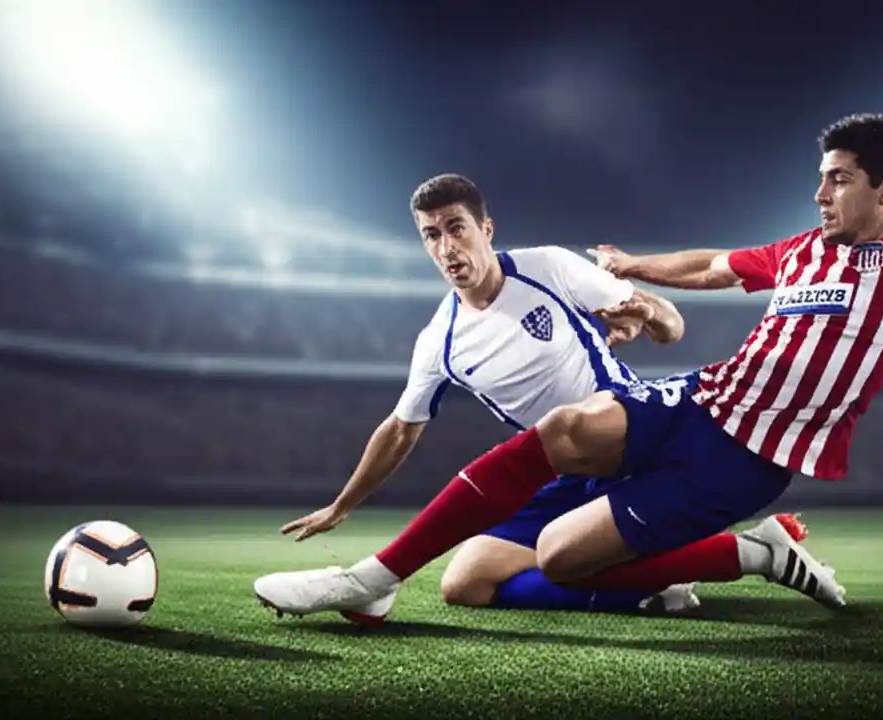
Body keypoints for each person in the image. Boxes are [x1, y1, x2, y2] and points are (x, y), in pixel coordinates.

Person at [254, 36, 883, 620]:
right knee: (562, 431)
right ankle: (371, 578)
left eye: (838, 180)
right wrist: (635, 267)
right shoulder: (802, 250)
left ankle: (756, 554)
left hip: (754, 454)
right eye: (820, 178)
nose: (819, 194)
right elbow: (712, 266)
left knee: (562, 558)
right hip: (699, 399)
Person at [260, 173, 714, 623]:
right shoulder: (440, 342)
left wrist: (649, 315)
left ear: (486, 230)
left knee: (573, 543)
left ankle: (704, 553)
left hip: (631, 446)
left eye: (456, 228)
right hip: (567, 473)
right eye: (431, 235)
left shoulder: (548, 267)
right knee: (465, 584)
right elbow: (400, 429)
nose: (446, 247)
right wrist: (343, 505)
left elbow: (671, 326)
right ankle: (647, 588)